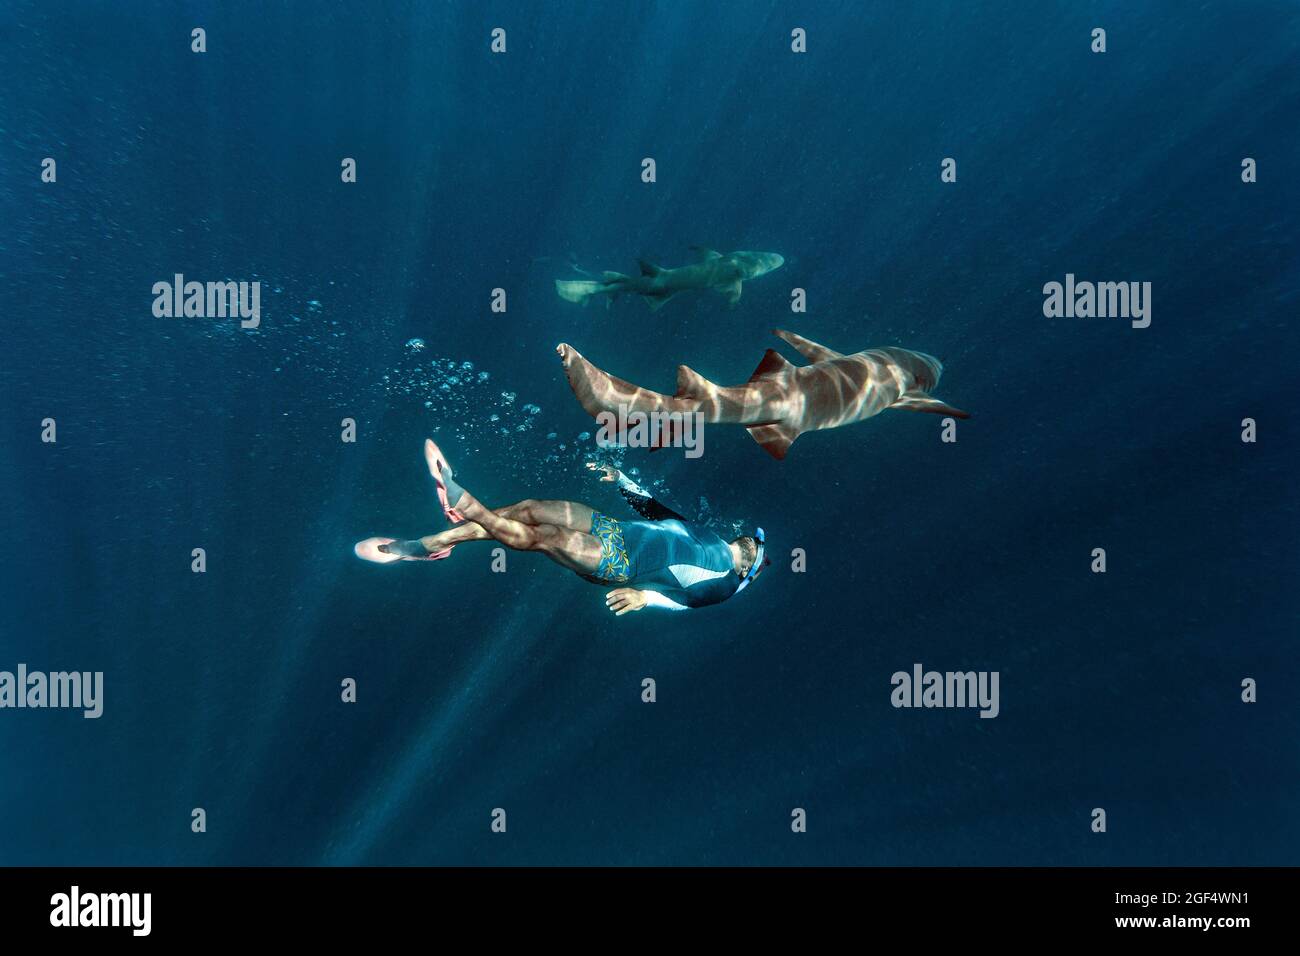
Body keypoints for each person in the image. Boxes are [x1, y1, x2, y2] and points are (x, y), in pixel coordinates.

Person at [354, 439, 767, 615]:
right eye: (754, 538)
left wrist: (644, 599)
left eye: (757, 548)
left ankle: (457, 513)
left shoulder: (726, 584)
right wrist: (621, 479)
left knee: (542, 537)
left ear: (749, 565)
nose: (752, 540)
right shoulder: (710, 534)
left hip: (618, 562)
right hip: (614, 529)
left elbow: (683, 604)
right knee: (531, 507)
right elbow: (658, 512)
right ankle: (441, 544)